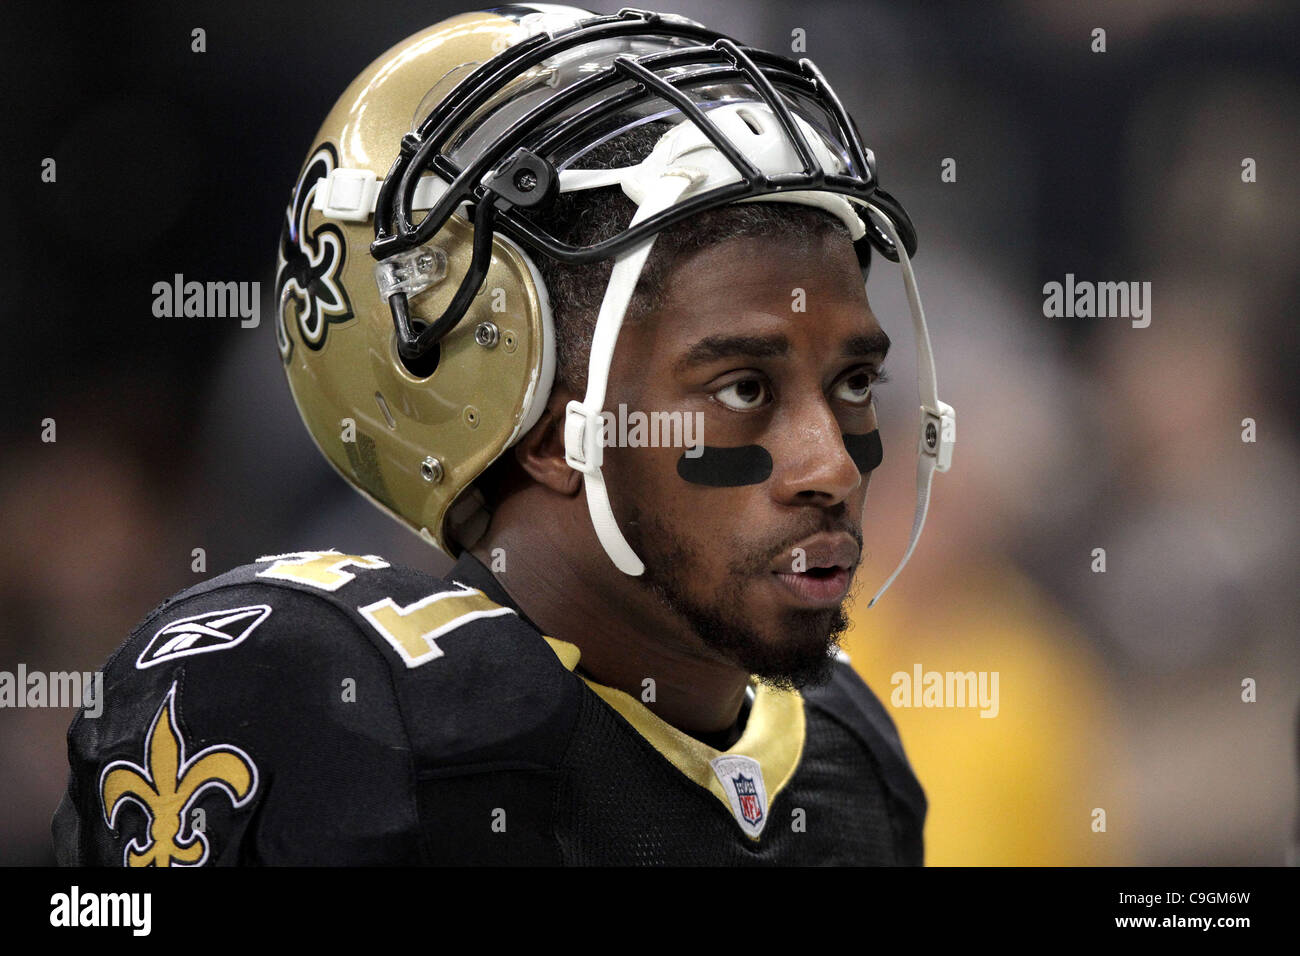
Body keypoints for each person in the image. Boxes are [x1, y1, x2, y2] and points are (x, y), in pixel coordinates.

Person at [53, 4, 953, 865]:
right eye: (744, 386)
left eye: (854, 383)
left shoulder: (844, 760)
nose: (831, 464)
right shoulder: (341, 723)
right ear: (552, 437)